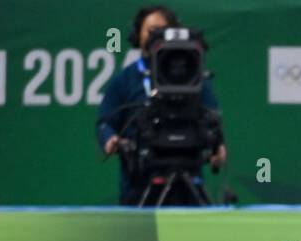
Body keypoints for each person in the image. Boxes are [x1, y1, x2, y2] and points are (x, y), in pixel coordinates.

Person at [95, 5, 227, 205]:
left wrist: (218, 147)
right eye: (150, 31)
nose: (154, 36)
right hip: (138, 186)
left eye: (161, 30)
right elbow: (105, 122)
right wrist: (109, 139)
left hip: (189, 183)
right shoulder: (125, 79)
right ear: (137, 35)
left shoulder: (195, 78)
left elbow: (212, 116)